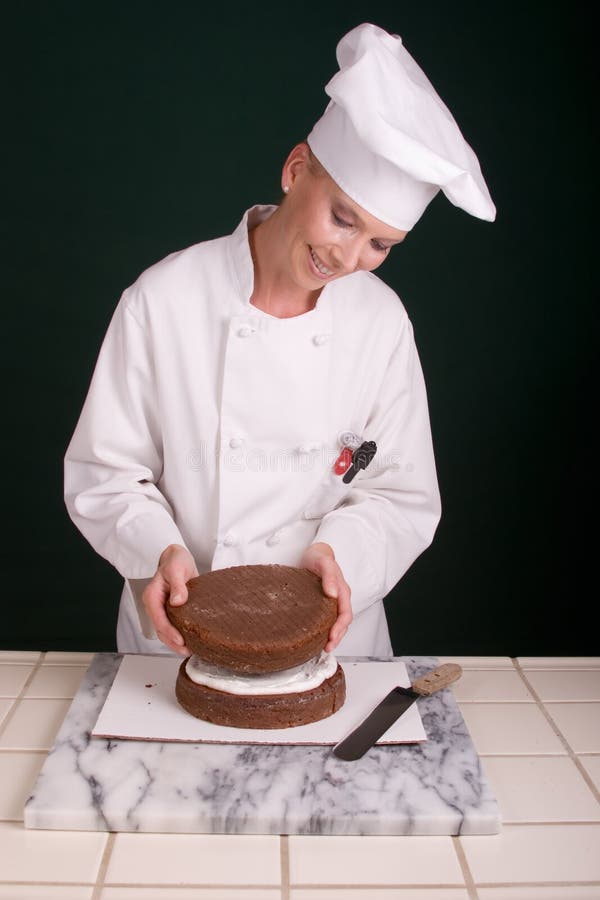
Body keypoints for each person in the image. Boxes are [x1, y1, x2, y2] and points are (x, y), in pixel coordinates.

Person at [64, 23, 495, 657]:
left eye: (380, 243)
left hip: (332, 647)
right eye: (342, 218)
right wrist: (158, 548)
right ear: (296, 170)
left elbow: (400, 494)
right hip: (181, 640)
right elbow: (105, 474)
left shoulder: (381, 323)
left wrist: (339, 554)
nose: (346, 255)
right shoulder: (164, 298)